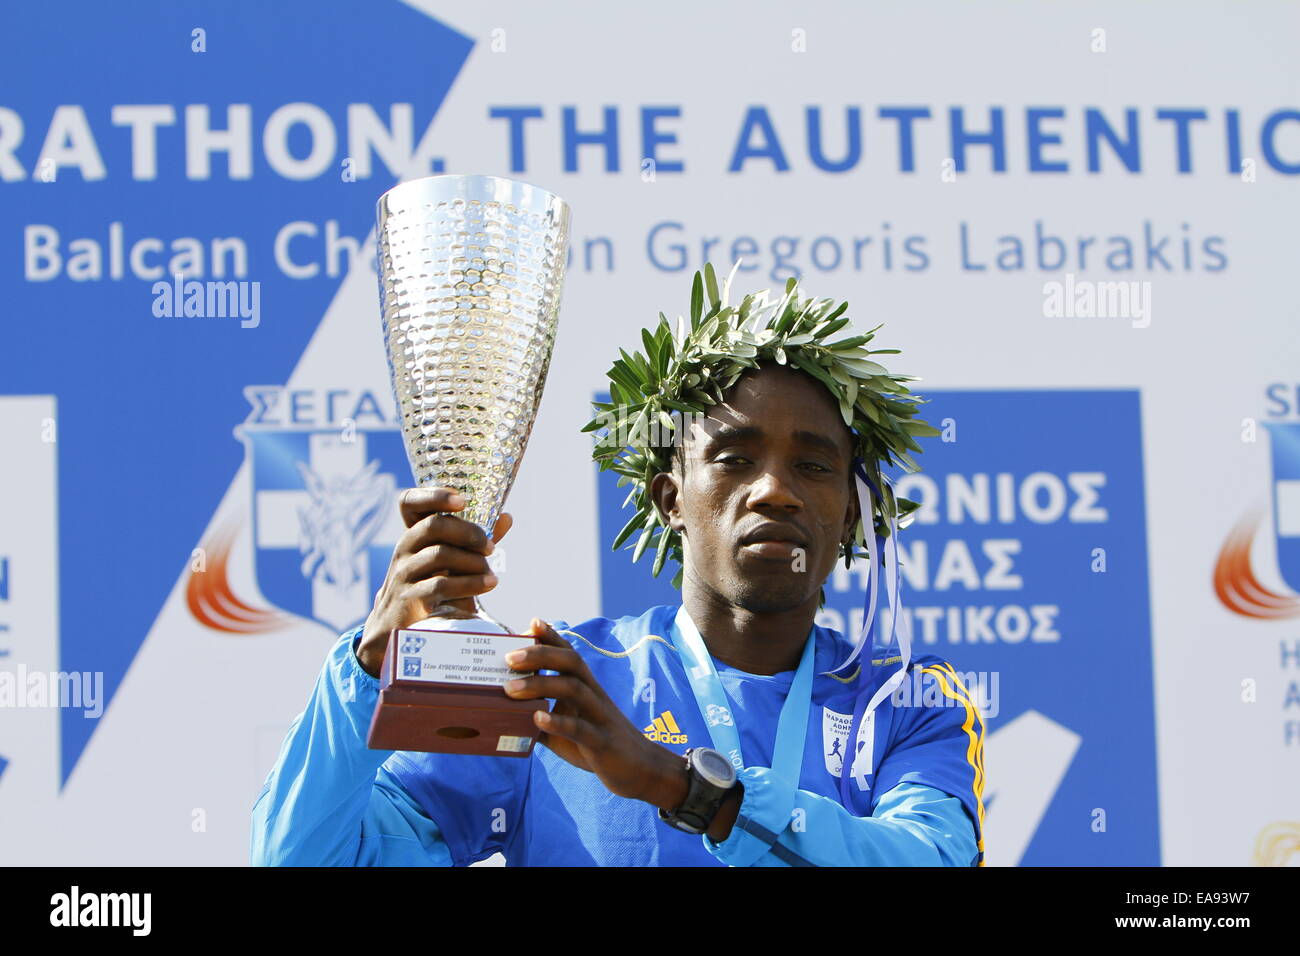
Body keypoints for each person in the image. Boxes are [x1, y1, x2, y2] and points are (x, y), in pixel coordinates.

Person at [250, 265, 986, 867]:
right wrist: (367, 669)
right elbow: (306, 859)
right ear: (670, 498)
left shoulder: (904, 703)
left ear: (851, 514)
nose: (773, 489)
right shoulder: (557, 690)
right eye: (733, 458)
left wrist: (677, 785)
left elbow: (932, 859)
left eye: (815, 465)